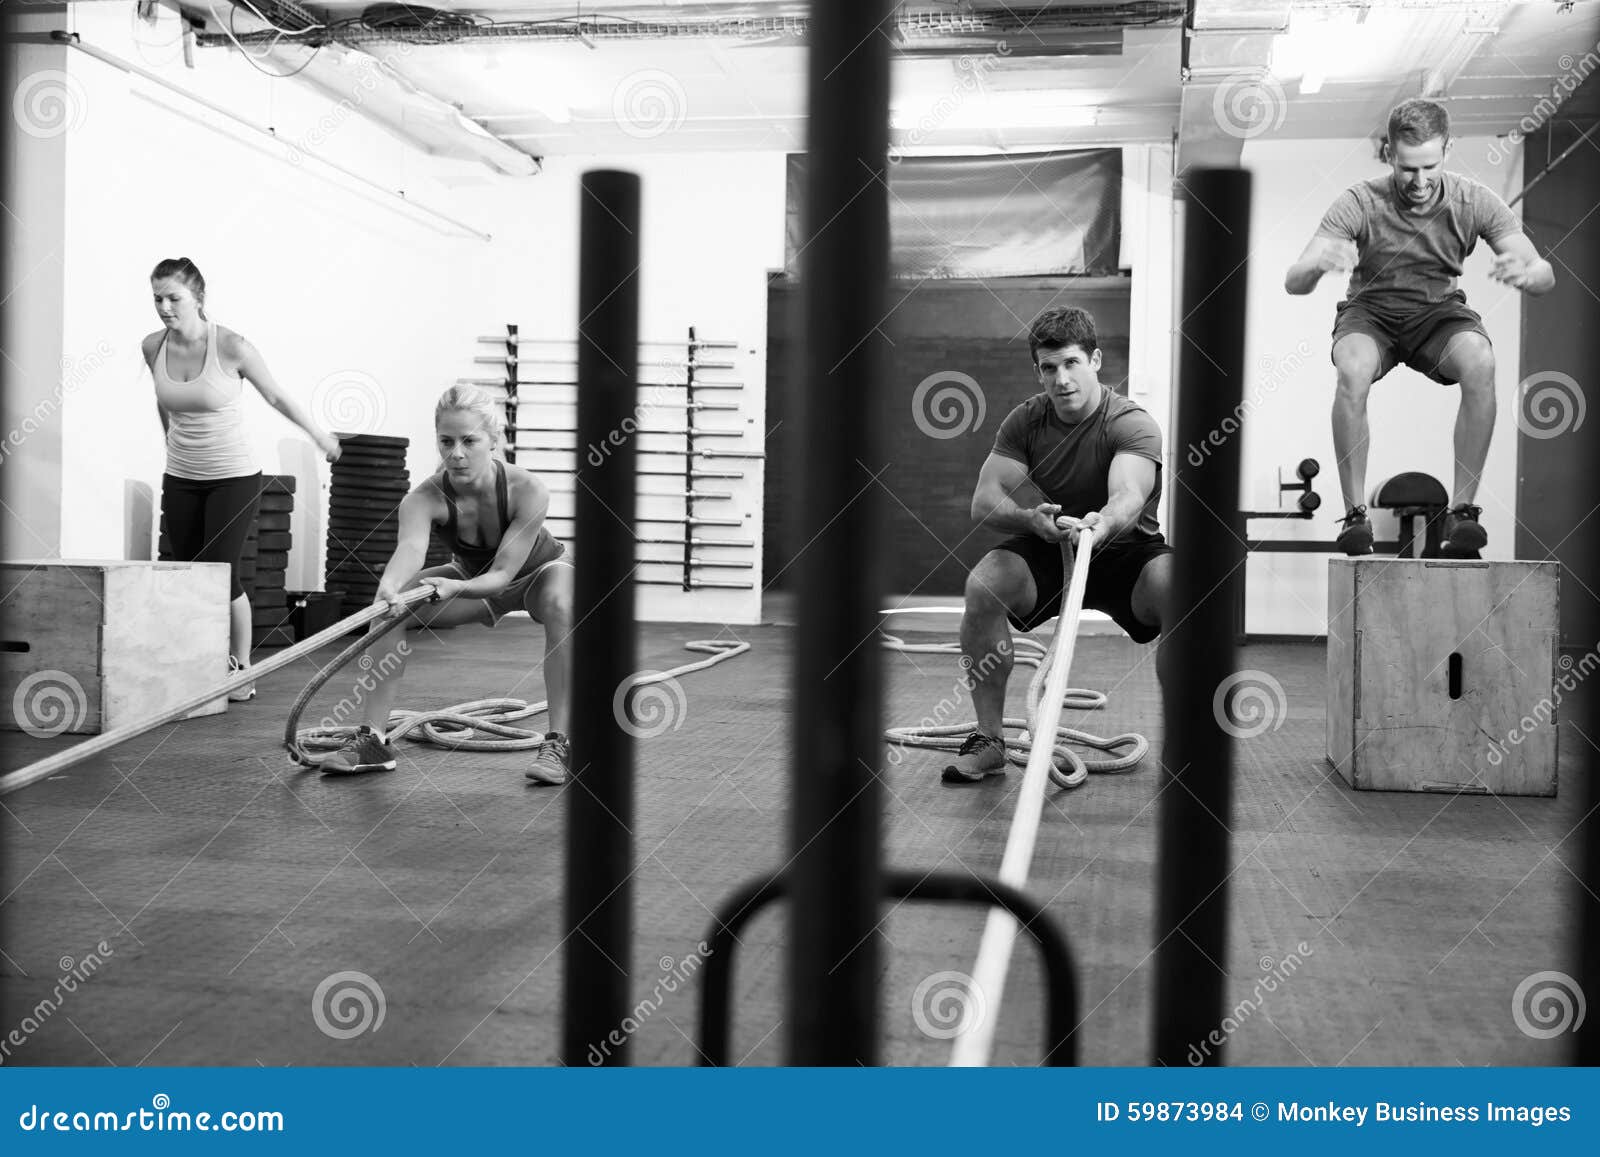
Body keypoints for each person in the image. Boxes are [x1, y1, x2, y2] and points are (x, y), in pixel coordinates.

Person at [1285, 97, 1555, 557]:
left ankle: (1462, 512)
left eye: (1430, 166)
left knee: (1480, 360)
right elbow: (1294, 282)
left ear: (1447, 149)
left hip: (1438, 314)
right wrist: (1318, 265)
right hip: (1372, 314)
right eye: (1408, 168)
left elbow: (1543, 273)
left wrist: (1528, 275)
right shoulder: (1359, 201)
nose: (1420, 181)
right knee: (1352, 369)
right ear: (1389, 153)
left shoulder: (1473, 200)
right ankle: (1355, 516)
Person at [945, 306, 1172, 783]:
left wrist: (1101, 524)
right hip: (1056, 544)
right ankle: (989, 741)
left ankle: (1185, 742)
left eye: (1071, 363)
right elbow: (984, 502)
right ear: (1038, 371)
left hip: (1126, 549)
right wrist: (1029, 519)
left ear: (1096, 360)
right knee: (983, 586)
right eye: (1049, 368)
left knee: (1179, 588)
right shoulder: (1026, 421)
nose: (1061, 379)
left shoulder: (1130, 422)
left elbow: (1128, 495)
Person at [318, 384, 575, 784]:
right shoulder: (423, 499)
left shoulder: (528, 490)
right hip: (474, 580)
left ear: (493, 439)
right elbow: (410, 549)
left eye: (469, 441)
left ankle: (560, 742)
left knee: (562, 604)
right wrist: (389, 587)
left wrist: (455, 588)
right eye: (446, 441)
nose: (456, 453)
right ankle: (372, 740)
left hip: (539, 575)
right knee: (390, 611)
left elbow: (503, 576)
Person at [144, 257, 341, 701]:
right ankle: (199, 662)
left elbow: (275, 395)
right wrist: (170, 442)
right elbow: (164, 399)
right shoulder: (152, 346)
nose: (164, 307)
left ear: (198, 297)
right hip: (181, 475)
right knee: (189, 574)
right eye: (157, 298)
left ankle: (241, 669)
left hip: (233, 476)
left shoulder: (232, 346)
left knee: (222, 572)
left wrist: (318, 435)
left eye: (173, 298)